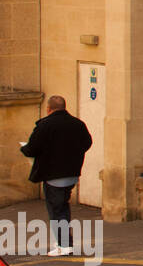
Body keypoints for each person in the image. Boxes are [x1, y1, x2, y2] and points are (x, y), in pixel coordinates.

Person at [20, 95, 93, 256]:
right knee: (63, 206)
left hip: (53, 176)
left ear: (49, 109)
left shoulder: (45, 125)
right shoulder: (78, 124)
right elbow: (87, 142)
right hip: (72, 173)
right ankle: (64, 241)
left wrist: (24, 149)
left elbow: (31, 148)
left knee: (56, 210)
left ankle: (64, 245)